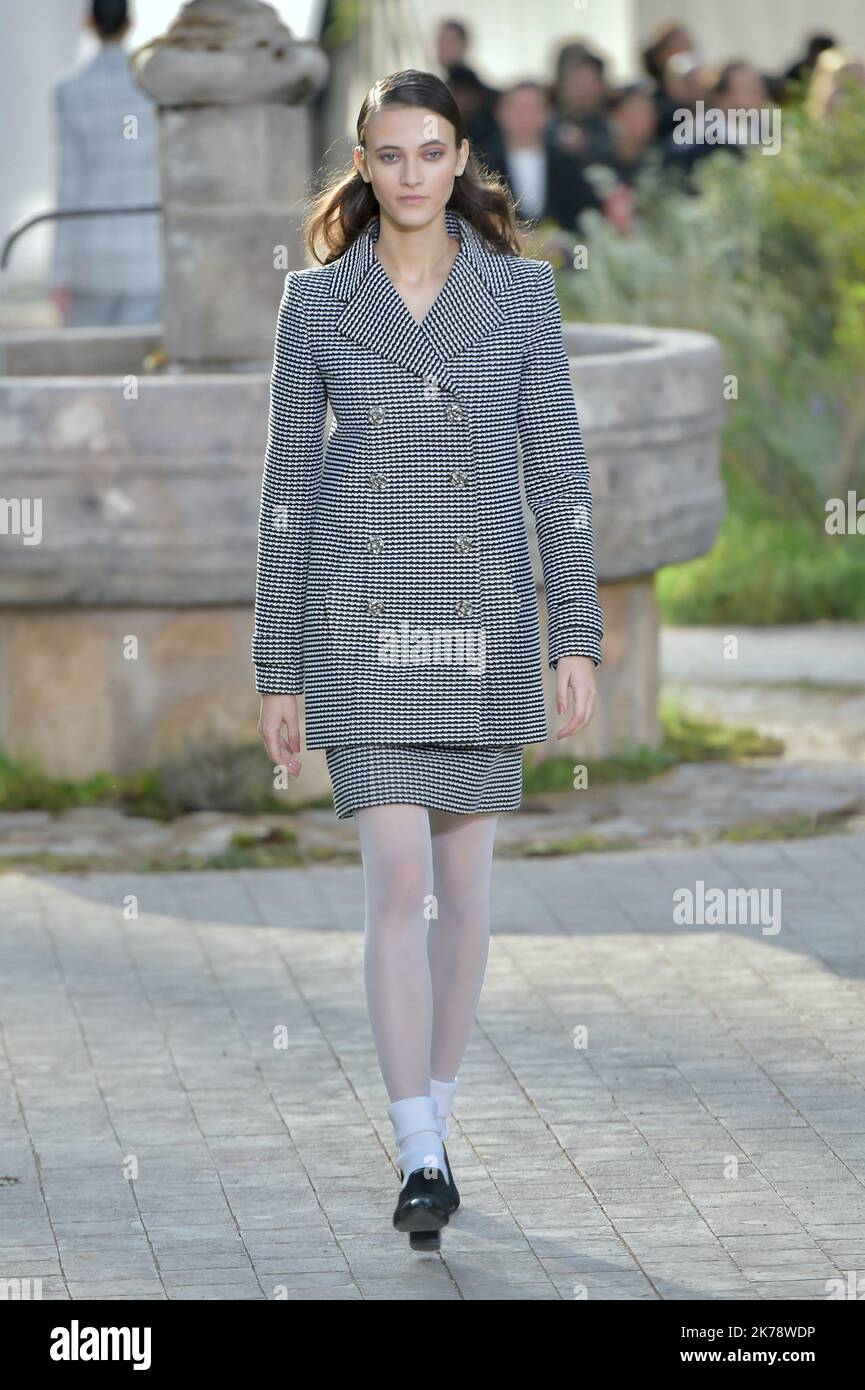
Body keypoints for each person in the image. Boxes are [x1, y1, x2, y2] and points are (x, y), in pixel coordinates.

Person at [252, 69, 604, 1248]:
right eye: (388, 154)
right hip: (360, 616)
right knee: (397, 880)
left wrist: (577, 638)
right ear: (362, 163)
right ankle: (414, 1148)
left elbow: (557, 472)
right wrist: (278, 666)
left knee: (465, 889)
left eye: (430, 151)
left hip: (483, 614)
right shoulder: (315, 304)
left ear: (461, 160)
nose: (409, 173)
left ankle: (437, 1120)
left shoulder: (521, 296)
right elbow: (288, 495)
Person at [51, 0, 161, 327]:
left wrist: (58, 273)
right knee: (142, 365)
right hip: (147, 254)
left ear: (88, 23)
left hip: (89, 257)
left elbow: (68, 181)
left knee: (92, 367)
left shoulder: (69, 91)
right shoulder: (153, 87)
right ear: (131, 23)